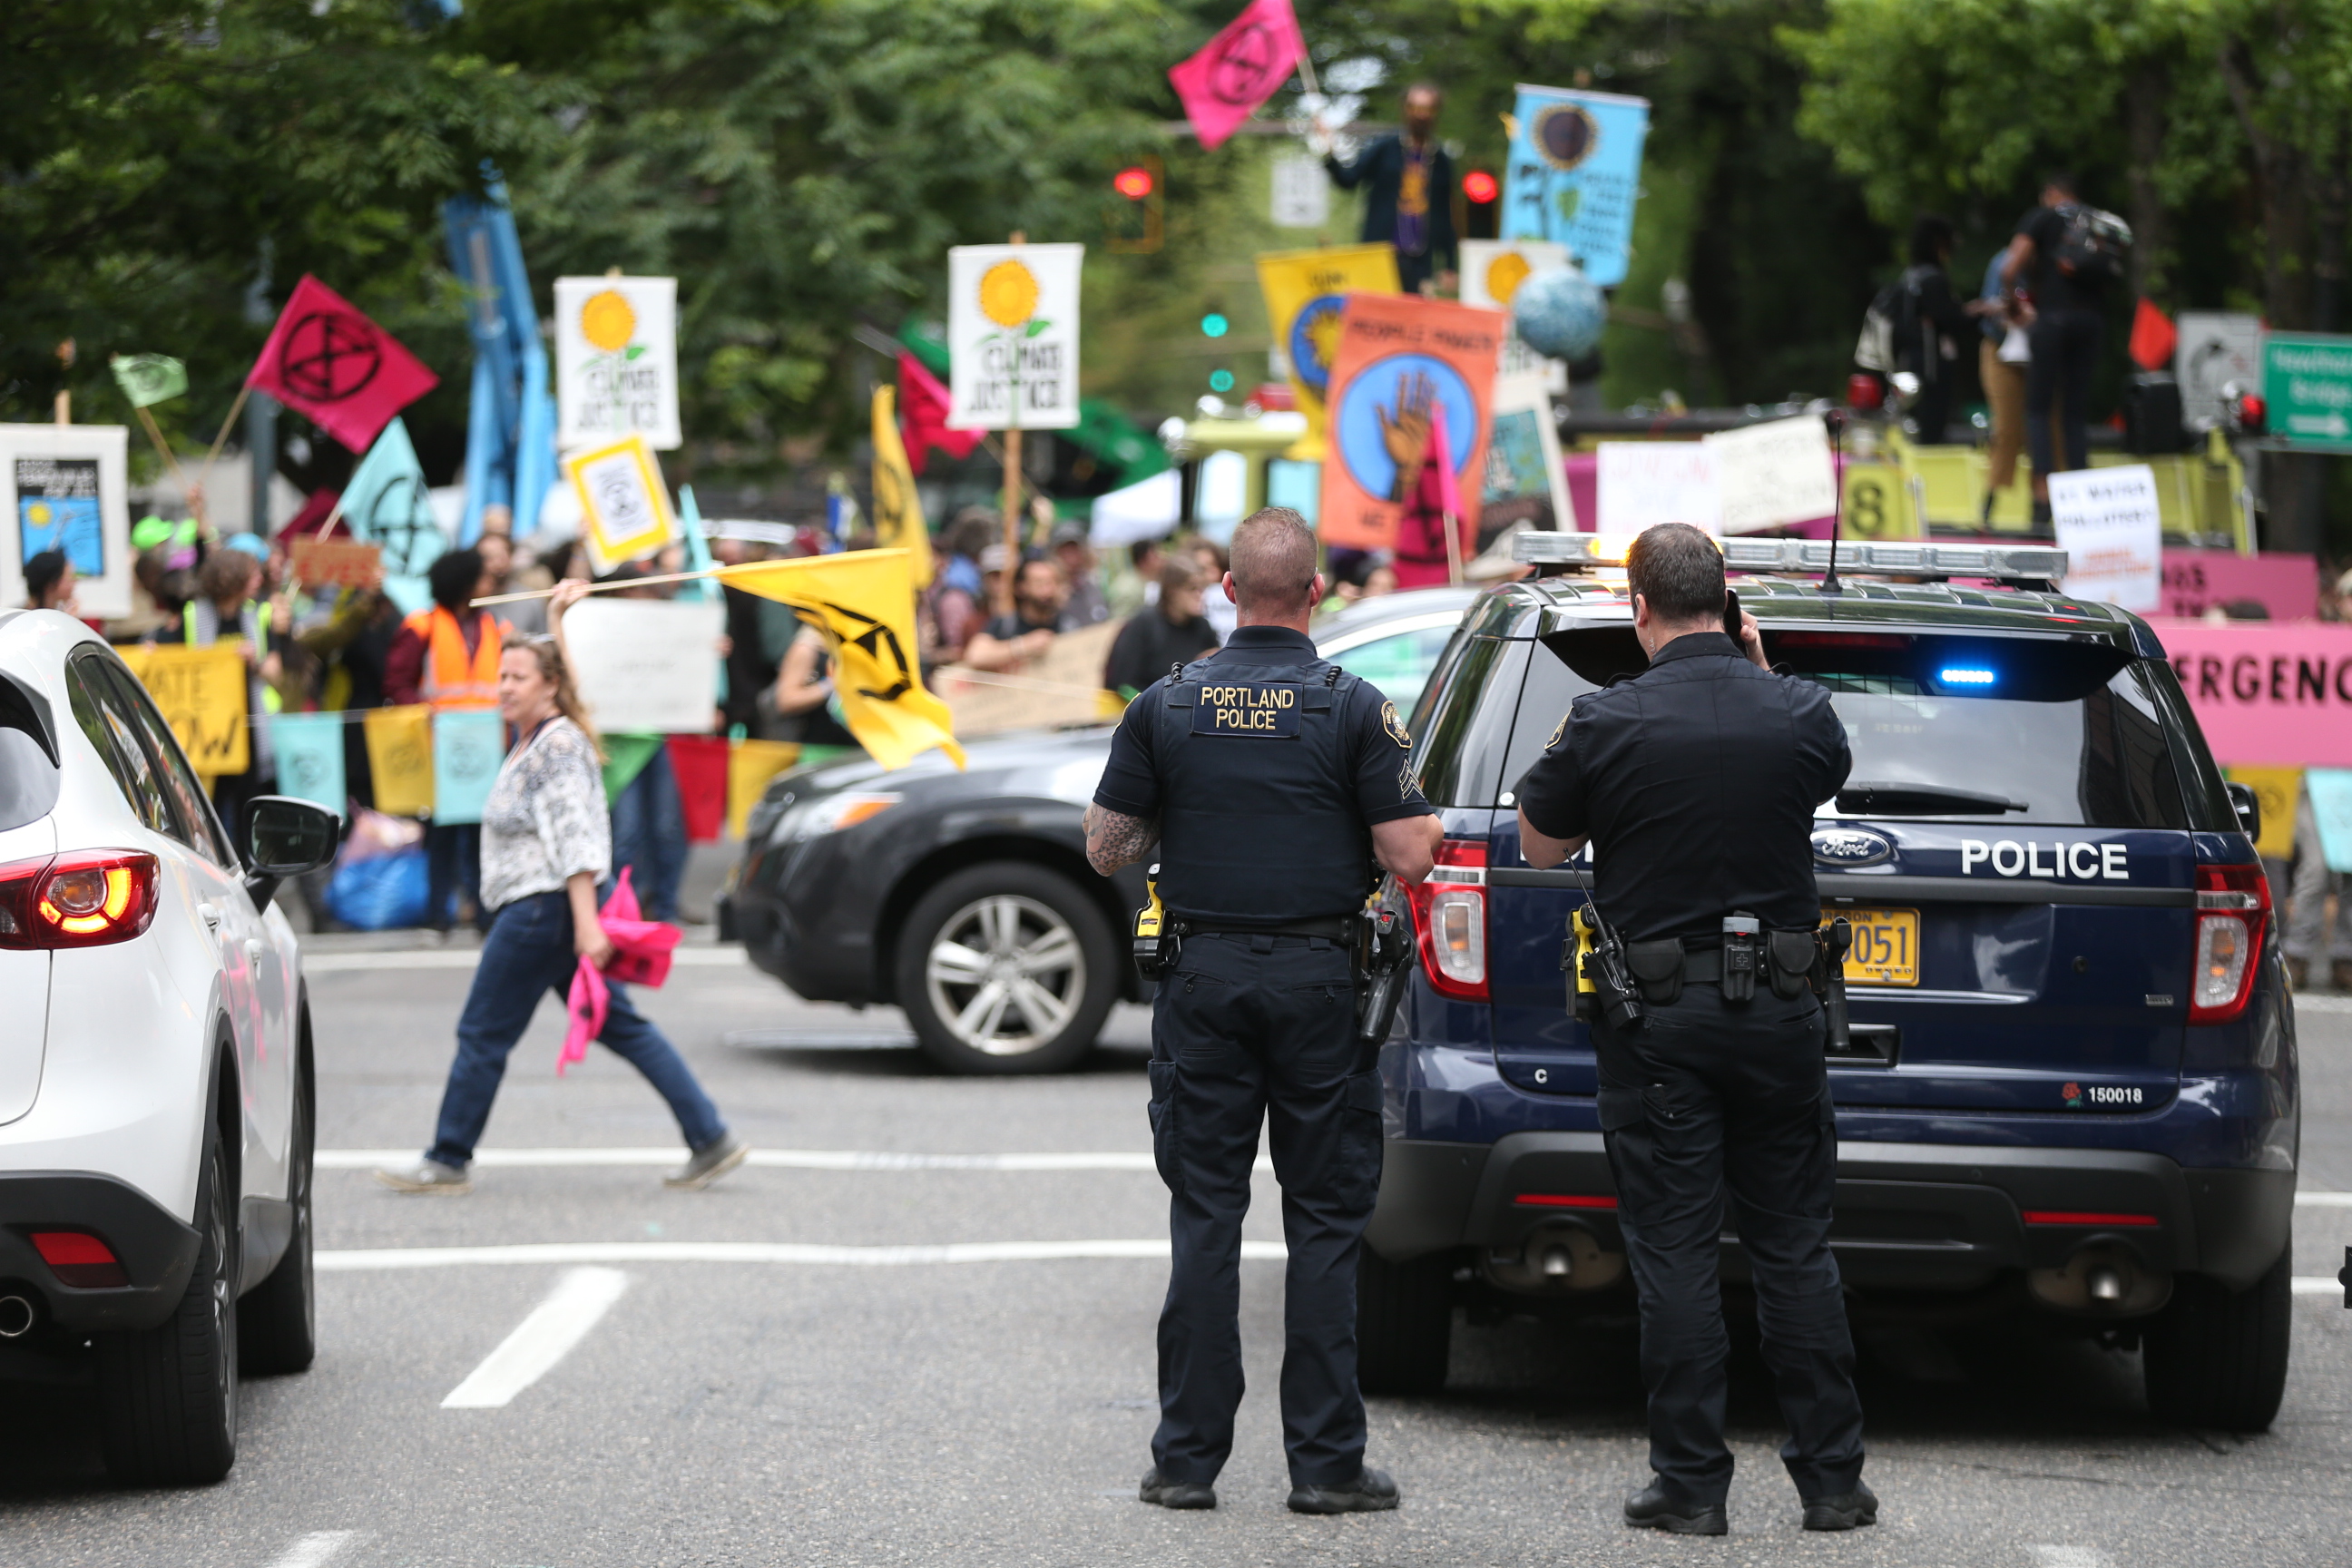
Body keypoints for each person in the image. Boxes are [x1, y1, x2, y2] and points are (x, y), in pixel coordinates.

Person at [1083, 505, 1444, 1516]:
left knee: (1207, 1216)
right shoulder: (1353, 708)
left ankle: (1186, 1462)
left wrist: (1173, 803)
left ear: (1229, 590)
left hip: (1202, 985)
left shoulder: (1166, 704)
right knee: (1326, 1225)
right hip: (1320, 986)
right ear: (1317, 593)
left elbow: (1105, 849)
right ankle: (1326, 1466)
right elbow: (1411, 853)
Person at [1512, 523, 1870, 1536]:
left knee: (1674, 1253)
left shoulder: (1607, 720)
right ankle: (1833, 1483)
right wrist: (1759, 665)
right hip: (1784, 1016)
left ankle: (1691, 1485)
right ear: (1732, 601)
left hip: (1660, 1021)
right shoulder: (1800, 709)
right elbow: (1823, 773)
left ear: (1639, 608)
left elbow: (1541, 844)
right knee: (1795, 1246)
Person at [375, 601, 747, 1195]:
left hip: (540, 912)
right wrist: (556, 616)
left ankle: (447, 1158)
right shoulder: (541, 738)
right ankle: (710, 1136)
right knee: (620, 1026)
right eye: (502, 676)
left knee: (482, 1033)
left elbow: (577, 841)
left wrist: (586, 924)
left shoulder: (556, 746)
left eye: (517, 678)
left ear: (550, 686)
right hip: (547, 912)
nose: (504, 687)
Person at [387, 547, 507, 933]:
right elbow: (396, 682)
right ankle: (439, 915)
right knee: (441, 835)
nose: (490, 583)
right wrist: (425, 709)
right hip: (439, 749)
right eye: (483, 578)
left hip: (487, 749)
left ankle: (484, 913)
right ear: (465, 585)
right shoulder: (422, 626)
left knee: (481, 835)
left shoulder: (496, 626)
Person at [2002, 172, 2111, 524]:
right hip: (2091, 322)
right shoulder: (2098, 220)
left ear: (2049, 193)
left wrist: (2014, 303)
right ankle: (2080, 498)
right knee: (2075, 414)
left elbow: (2010, 267)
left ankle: (2042, 499)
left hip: (2052, 321)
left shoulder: (2043, 218)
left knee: (2037, 409)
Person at [172, 538, 284, 828]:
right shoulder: (192, 616)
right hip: (207, 734)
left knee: (247, 810)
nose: (260, 578)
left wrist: (254, 662)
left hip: (249, 731)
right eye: (253, 573)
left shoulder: (257, 615)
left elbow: (276, 673)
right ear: (233, 578)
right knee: (210, 812)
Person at [1323, 83, 1458, 296]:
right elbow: (1348, 180)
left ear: (1436, 113)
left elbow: (1445, 216)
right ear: (1405, 109)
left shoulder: (1440, 160)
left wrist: (1450, 265)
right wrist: (1328, 152)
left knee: (1413, 319)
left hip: (1419, 261)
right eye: (1415, 108)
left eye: (1428, 109)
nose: (1421, 115)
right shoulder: (1385, 149)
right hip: (1379, 255)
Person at [1897, 215, 1975, 446]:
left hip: (1910, 357)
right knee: (1934, 416)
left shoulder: (1910, 276)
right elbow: (1950, 319)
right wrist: (1974, 314)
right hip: (1932, 361)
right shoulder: (1933, 279)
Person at [1102, 557, 1220, 698]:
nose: (1200, 595)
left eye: (1203, 588)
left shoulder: (1202, 627)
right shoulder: (1144, 625)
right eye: (1192, 589)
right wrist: (1152, 707)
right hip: (1147, 713)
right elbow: (1121, 684)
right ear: (1172, 591)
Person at [964, 554, 1075, 671]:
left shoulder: (1068, 625)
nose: (1047, 591)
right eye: (1039, 583)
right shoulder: (1006, 624)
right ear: (1021, 587)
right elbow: (975, 656)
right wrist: (1023, 646)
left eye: (1051, 583)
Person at [1052, 522, 1111, 626]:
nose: (1071, 558)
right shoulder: (1049, 593)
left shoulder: (1094, 588)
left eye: (1075, 550)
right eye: (1064, 552)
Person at [23, 549, 77, 613]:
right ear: (51, 584)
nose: (74, 582)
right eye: (69, 577)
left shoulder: (57, 613)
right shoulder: (21, 618)